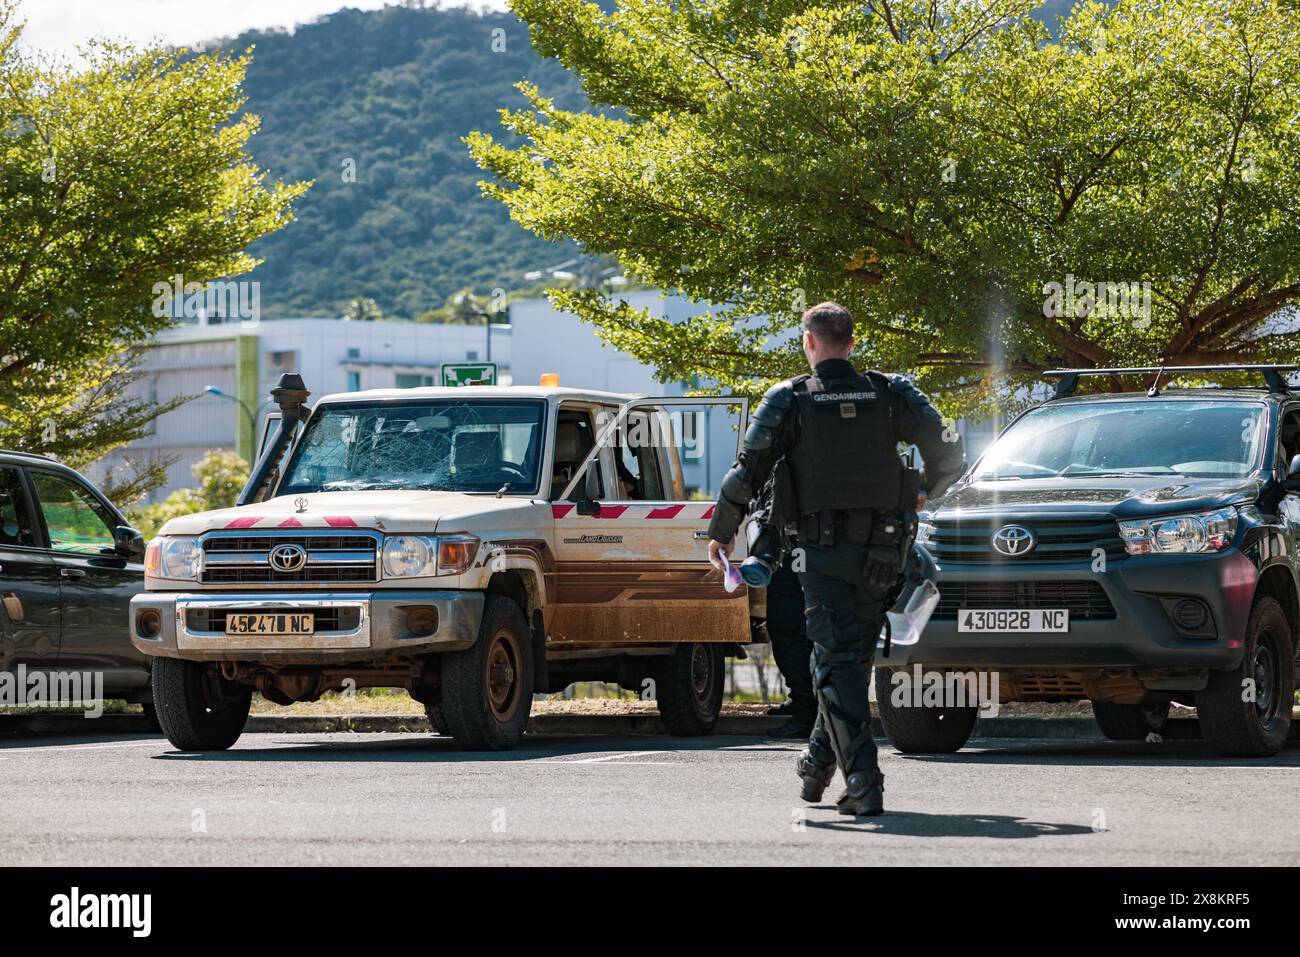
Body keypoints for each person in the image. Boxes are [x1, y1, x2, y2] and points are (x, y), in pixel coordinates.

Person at [707, 301, 964, 816]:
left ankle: (865, 782)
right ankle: (817, 764)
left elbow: (748, 472)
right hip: (884, 550)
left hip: (820, 554)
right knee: (848, 658)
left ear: (809, 342)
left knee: (832, 661)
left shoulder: (789, 399)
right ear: (851, 342)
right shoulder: (891, 392)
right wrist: (923, 494)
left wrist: (722, 532)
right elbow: (949, 452)